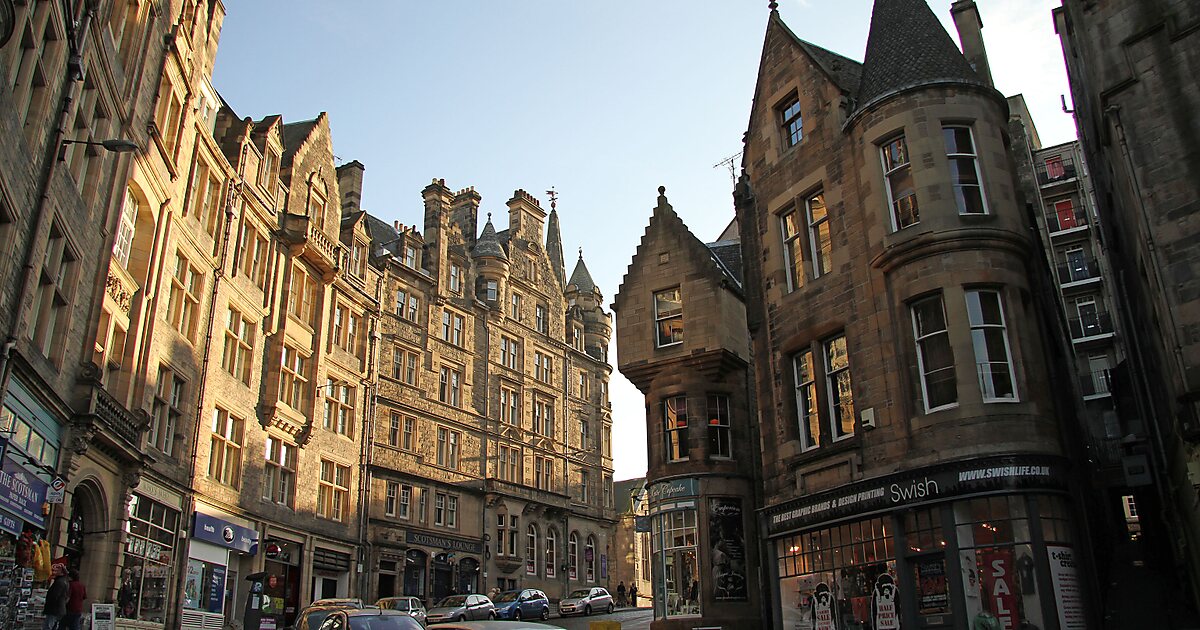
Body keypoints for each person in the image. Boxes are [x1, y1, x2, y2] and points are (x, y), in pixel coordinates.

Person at [44, 563, 69, 630]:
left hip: (54, 609)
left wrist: (48, 604)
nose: (53, 572)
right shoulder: (63, 581)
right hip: (58, 609)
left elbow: (54, 596)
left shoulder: (60, 582)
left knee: (48, 626)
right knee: (53, 626)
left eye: (56, 570)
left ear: (61, 572)